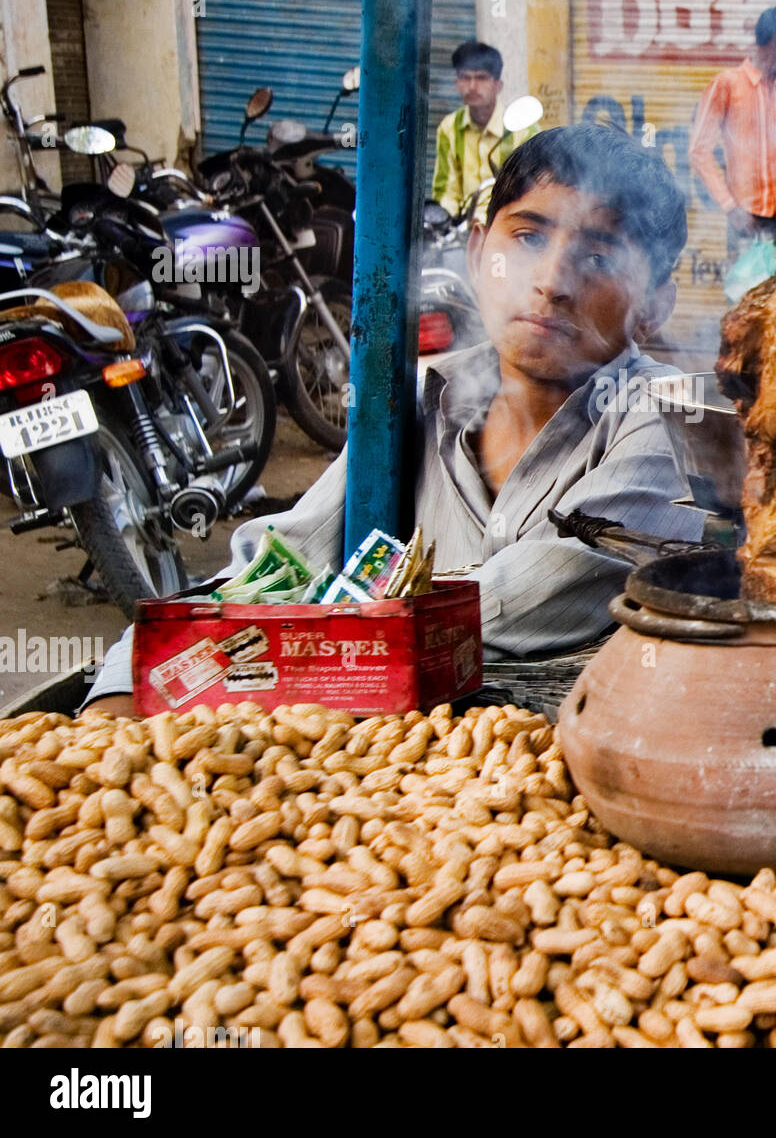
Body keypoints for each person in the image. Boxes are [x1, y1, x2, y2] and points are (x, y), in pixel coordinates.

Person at [81, 124, 703, 715]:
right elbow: (282, 559)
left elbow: (552, 583)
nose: (550, 281)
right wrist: (131, 678)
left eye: (598, 257)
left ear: (651, 306)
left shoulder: (667, 422)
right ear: (479, 251)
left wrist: (329, 645)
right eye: (530, 238)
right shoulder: (413, 403)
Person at [688, 4, 776, 265]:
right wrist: (730, 207)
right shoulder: (726, 85)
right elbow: (698, 152)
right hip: (748, 221)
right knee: (746, 302)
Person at [431, 41, 539, 220]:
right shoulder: (449, 127)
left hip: (506, 227)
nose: (472, 86)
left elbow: (532, 191)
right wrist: (445, 220)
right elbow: (447, 192)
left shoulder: (522, 128)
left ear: (498, 86)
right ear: (457, 84)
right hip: (463, 230)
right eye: (465, 77)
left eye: (481, 78)